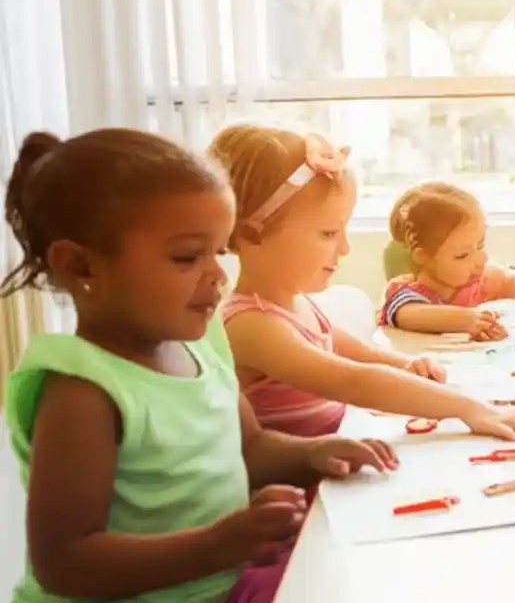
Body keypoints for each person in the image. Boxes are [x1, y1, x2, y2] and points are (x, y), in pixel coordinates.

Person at [2, 129, 396, 602]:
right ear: (82, 267)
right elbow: (65, 563)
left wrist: (312, 453)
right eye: (187, 256)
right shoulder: (83, 390)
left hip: (225, 585)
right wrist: (220, 545)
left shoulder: (202, 343)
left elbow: (250, 447)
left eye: (220, 251)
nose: (216, 274)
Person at [209, 126, 515, 440]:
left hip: (338, 460)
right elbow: (354, 382)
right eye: (328, 233)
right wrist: (465, 407)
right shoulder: (251, 324)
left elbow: (361, 355)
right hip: (305, 493)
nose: (344, 248)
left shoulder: (298, 303)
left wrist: (406, 365)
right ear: (253, 234)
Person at [379, 181, 515, 340]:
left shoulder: (481, 280)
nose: (482, 259)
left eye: (480, 246)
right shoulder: (409, 294)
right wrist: (466, 319)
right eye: (462, 255)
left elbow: (510, 279)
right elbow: (409, 315)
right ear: (423, 257)